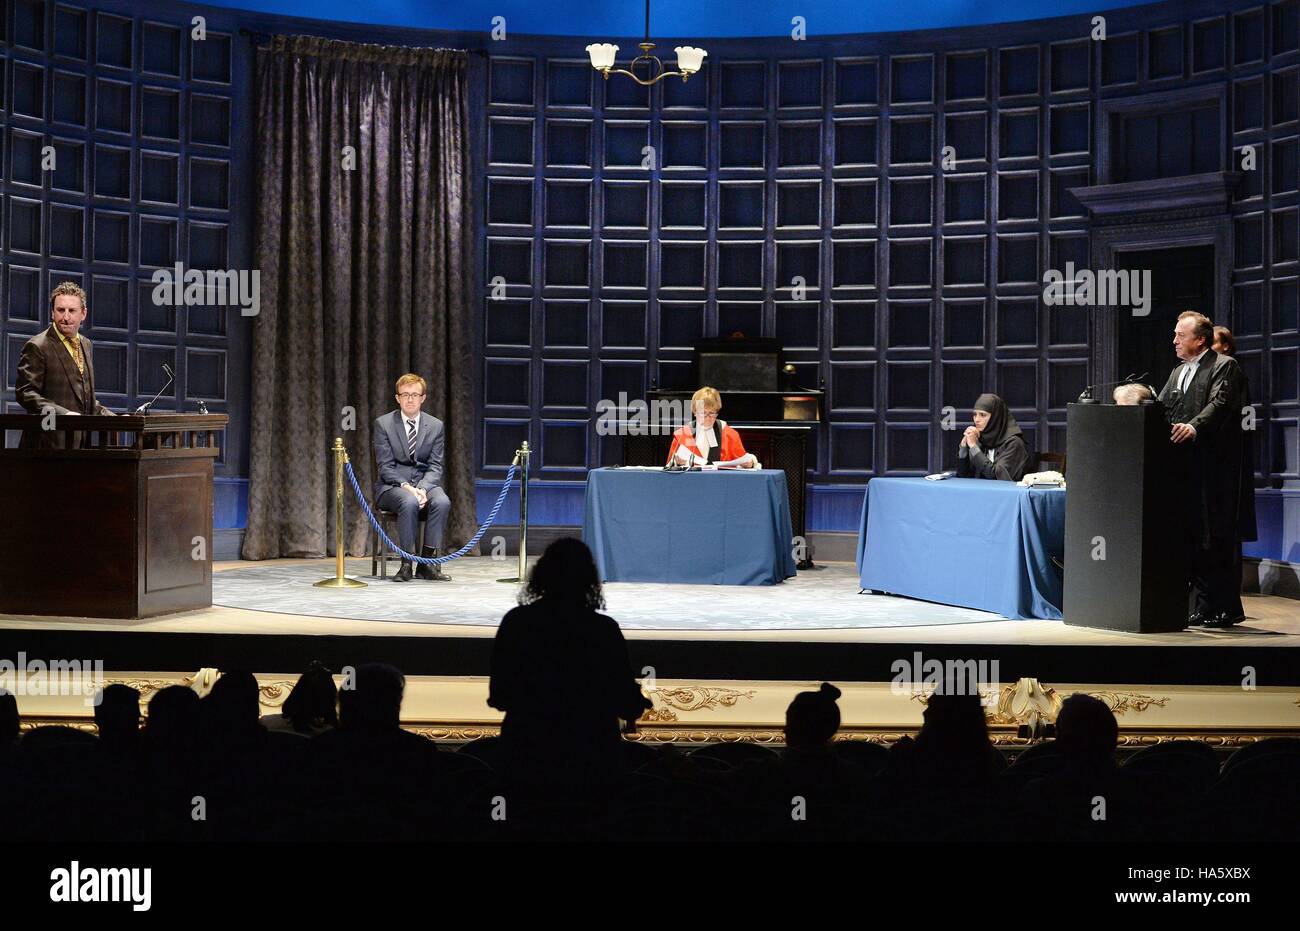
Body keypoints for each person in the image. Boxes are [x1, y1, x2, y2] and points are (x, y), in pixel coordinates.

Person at [488, 538, 653, 785]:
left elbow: (501, 696)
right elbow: (626, 704)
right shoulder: (603, 630)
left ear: (542, 574)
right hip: (592, 763)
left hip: (526, 759)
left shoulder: (517, 623)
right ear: (589, 579)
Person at [1157, 311, 1249, 627]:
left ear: (1199, 339)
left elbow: (1219, 404)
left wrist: (1194, 428)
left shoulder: (1225, 366)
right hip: (1184, 469)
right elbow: (1164, 408)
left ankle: (1223, 607)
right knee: (1193, 537)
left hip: (1214, 470)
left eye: (1180, 336)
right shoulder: (1179, 371)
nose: (1174, 341)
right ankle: (1200, 604)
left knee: (1215, 537)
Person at [15, 281, 115, 449]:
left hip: (80, 445)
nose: (66, 317)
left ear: (83, 314)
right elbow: (26, 393)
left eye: (72, 311)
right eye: (60, 310)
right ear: (52, 313)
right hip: (45, 444)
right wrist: (64, 414)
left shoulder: (86, 344)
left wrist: (117, 418)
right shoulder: (38, 346)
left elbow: (83, 397)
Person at [373, 373, 452, 582]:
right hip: (392, 486)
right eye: (405, 395)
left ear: (423, 398)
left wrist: (424, 489)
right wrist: (408, 487)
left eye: (415, 395)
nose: (410, 399)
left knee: (442, 501)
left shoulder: (436, 426)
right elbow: (385, 466)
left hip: (425, 484)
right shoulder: (384, 424)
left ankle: (426, 563)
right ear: (397, 398)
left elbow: (435, 465)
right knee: (407, 501)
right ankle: (406, 563)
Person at [1211, 325, 1258, 547]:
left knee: (1227, 518)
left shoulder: (1232, 372)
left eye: (1213, 343)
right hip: (1217, 458)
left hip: (1228, 458)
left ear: (1226, 346)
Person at [665, 386, 758, 468]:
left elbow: (743, 461)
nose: (708, 418)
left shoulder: (729, 434)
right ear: (694, 411)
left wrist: (750, 463)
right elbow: (669, 468)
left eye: (712, 413)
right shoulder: (682, 435)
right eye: (703, 413)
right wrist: (676, 462)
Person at [956, 393, 1029, 481]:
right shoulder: (979, 440)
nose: (977, 419)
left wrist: (973, 447)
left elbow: (996, 476)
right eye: (975, 414)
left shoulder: (1014, 443)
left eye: (983, 415)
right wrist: (963, 447)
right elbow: (963, 475)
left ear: (996, 417)